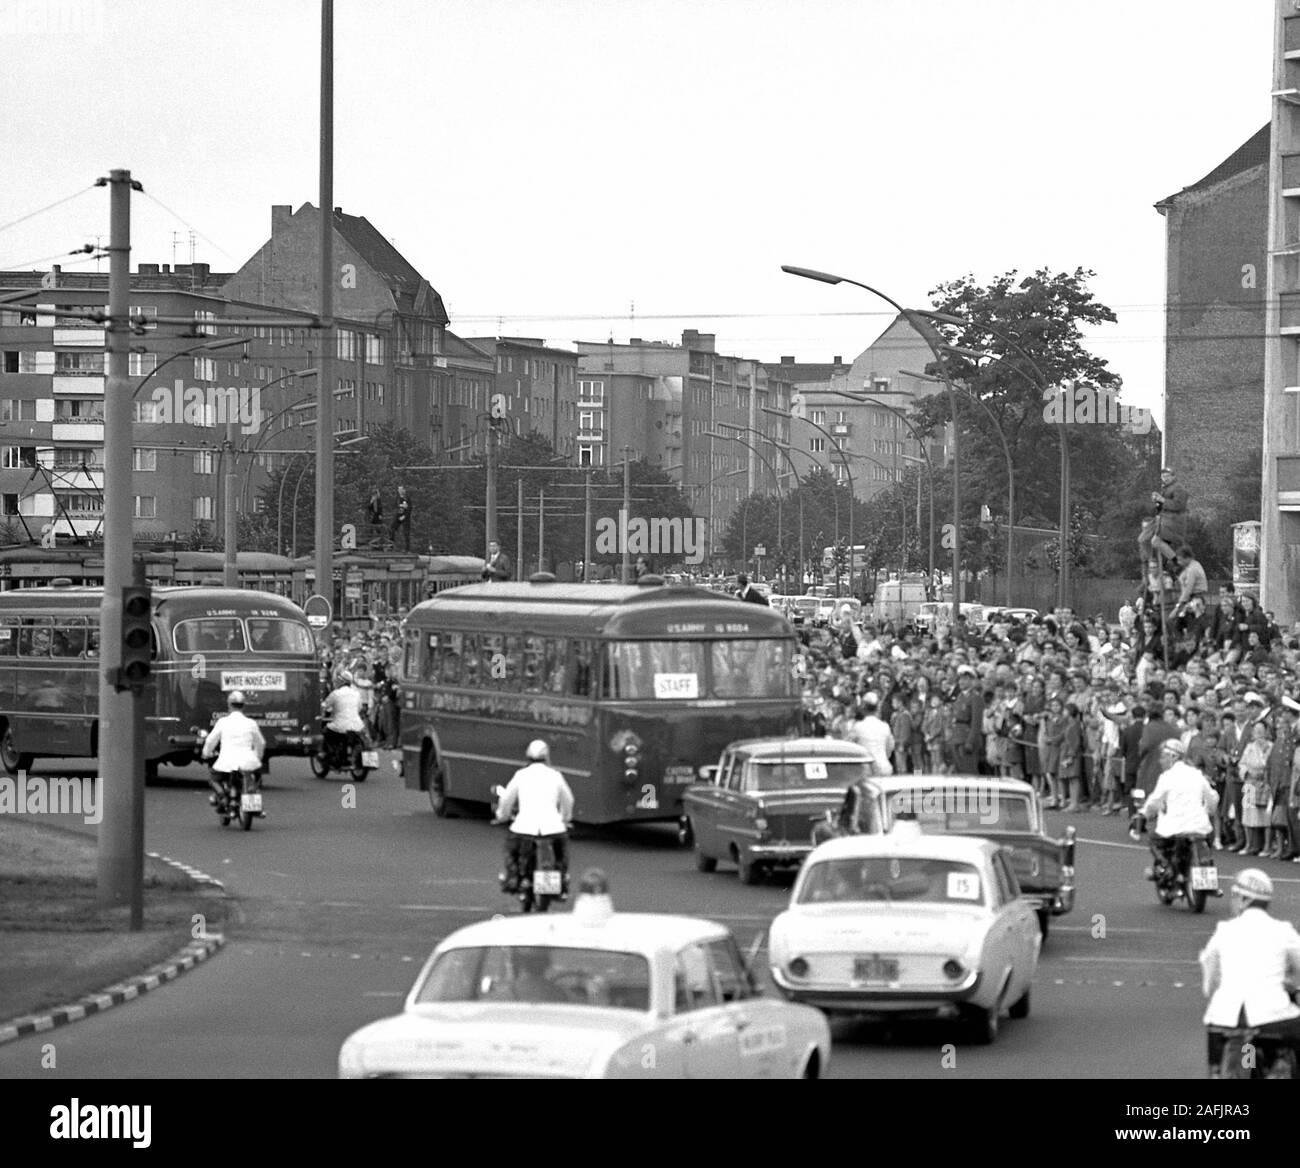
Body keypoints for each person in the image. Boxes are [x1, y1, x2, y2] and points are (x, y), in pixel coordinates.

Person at [1199, 869, 1300, 1077]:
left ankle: (1228, 1070)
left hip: (1226, 1018)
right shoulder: (1283, 931)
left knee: (1236, 1056)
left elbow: (1210, 974)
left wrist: (1215, 988)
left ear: (1244, 900)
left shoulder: (1224, 930)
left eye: (1235, 897)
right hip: (1273, 1017)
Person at [496, 739, 575, 896]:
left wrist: (501, 816)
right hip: (554, 828)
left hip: (524, 828)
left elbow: (506, 800)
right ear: (547, 757)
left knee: (510, 851)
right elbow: (568, 800)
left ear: (528, 757)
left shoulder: (521, 775)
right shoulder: (556, 776)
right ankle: (562, 880)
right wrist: (565, 819)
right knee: (562, 854)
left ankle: (512, 878)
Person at [1134, 738, 1219, 877]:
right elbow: (1212, 797)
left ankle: (1165, 868)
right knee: (1206, 847)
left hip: (1175, 829)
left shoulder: (1167, 777)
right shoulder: (1197, 774)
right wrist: (1209, 810)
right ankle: (1205, 877)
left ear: (1173, 757)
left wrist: (1144, 813)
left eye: (1163, 757)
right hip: (1201, 827)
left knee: (1153, 841)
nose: (1161, 761)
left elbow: (1154, 801)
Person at [201, 691, 266, 806]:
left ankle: (222, 795)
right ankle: (253, 801)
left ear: (229, 705)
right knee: (255, 779)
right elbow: (260, 743)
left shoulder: (223, 722)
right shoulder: (251, 723)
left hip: (227, 761)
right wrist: (258, 756)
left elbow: (211, 740)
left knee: (213, 779)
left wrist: (206, 753)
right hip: (248, 761)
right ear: (243, 706)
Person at [1138, 466, 1189, 571]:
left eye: (1167, 476)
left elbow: (1179, 505)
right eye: (1163, 476)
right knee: (1142, 539)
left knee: (1155, 541)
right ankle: (1153, 562)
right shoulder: (1166, 488)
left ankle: (1176, 563)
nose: (1165, 478)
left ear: (1173, 477)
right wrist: (1157, 501)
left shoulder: (1178, 488)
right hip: (1162, 520)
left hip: (1173, 521)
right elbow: (1161, 506)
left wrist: (1162, 499)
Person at [322, 670, 367, 760]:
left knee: (325, 731)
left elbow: (324, 706)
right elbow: (359, 708)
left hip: (340, 726)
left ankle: (328, 754)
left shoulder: (336, 693)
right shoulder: (356, 693)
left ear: (341, 681)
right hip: (357, 725)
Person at [845, 693, 894, 775]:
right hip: (884, 767)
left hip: (866, 770)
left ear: (863, 709)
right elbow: (889, 748)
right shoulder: (885, 726)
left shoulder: (857, 727)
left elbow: (849, 747)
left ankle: (918, 788)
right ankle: (919, 787)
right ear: (877, 708)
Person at [389, 485, 412, 551]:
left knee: (406, 532)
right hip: (398, 516)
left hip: (405, 517)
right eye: (398, 490)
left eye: (400, 489)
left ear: (404, 490)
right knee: (391, 529)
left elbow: (410, 508)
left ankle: (407, 549)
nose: (399, 491)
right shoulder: (397, 498)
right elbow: (395, 505)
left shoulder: (407, 498)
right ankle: (391, 546)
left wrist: (404, 516)